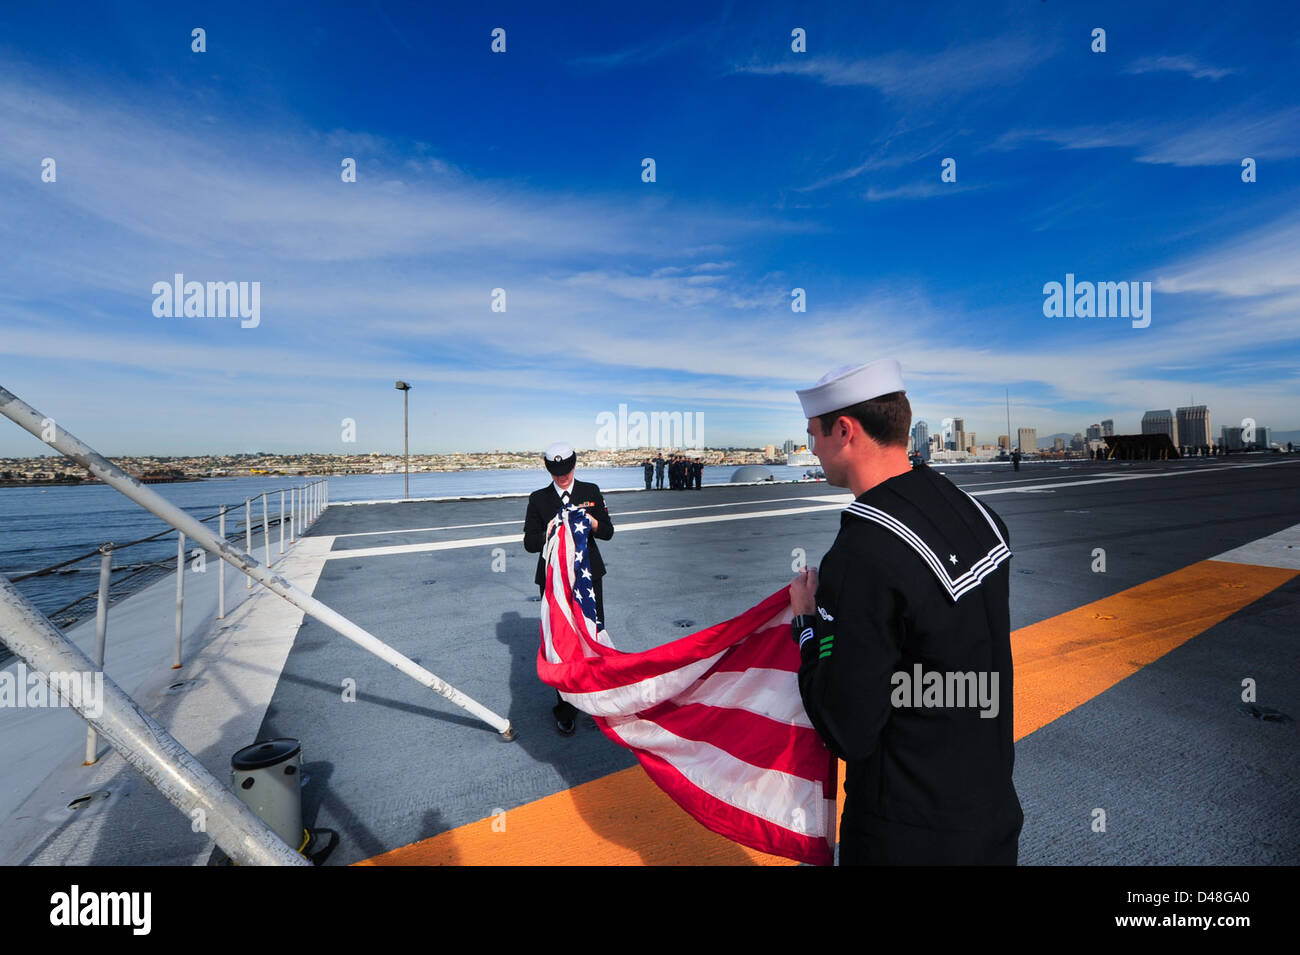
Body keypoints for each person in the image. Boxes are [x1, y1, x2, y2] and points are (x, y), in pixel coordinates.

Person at [786, 359, 1022, 864]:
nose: (812, 448)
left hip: (908, 836)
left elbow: (845, 726)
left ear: (844, 431)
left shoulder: (863, 553)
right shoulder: (976, 513)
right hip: (992, 815)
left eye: (813, 435)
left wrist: (807, 626)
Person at [523, 442, 615, 736]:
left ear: (574, 465)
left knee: (592, 636)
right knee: (561, 645)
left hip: (588, 578)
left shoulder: (590, 491)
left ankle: (598, 699)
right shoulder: (538, 499)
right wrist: (548, 530)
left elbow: (609, 532)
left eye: (566, 471)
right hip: (554, 581)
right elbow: (529, 543)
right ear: (549, 470)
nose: (563, 477)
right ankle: (565, 708)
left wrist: (591, 522)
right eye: (556, 472)